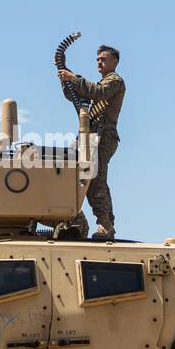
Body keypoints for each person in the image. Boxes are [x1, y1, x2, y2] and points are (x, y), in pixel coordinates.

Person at [57, 44, 125, 239]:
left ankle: (105, 225)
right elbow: (75, 96)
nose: (99, 62)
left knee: (95, 181)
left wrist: (74, 78)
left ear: (114, 61)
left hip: (103, 136)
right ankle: (71, 219)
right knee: (70, 175)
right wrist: (66, 78)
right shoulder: (99, 84)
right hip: (89, 137)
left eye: (104, 59)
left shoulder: (114, 81)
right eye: (97, 59)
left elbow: (97, 92)